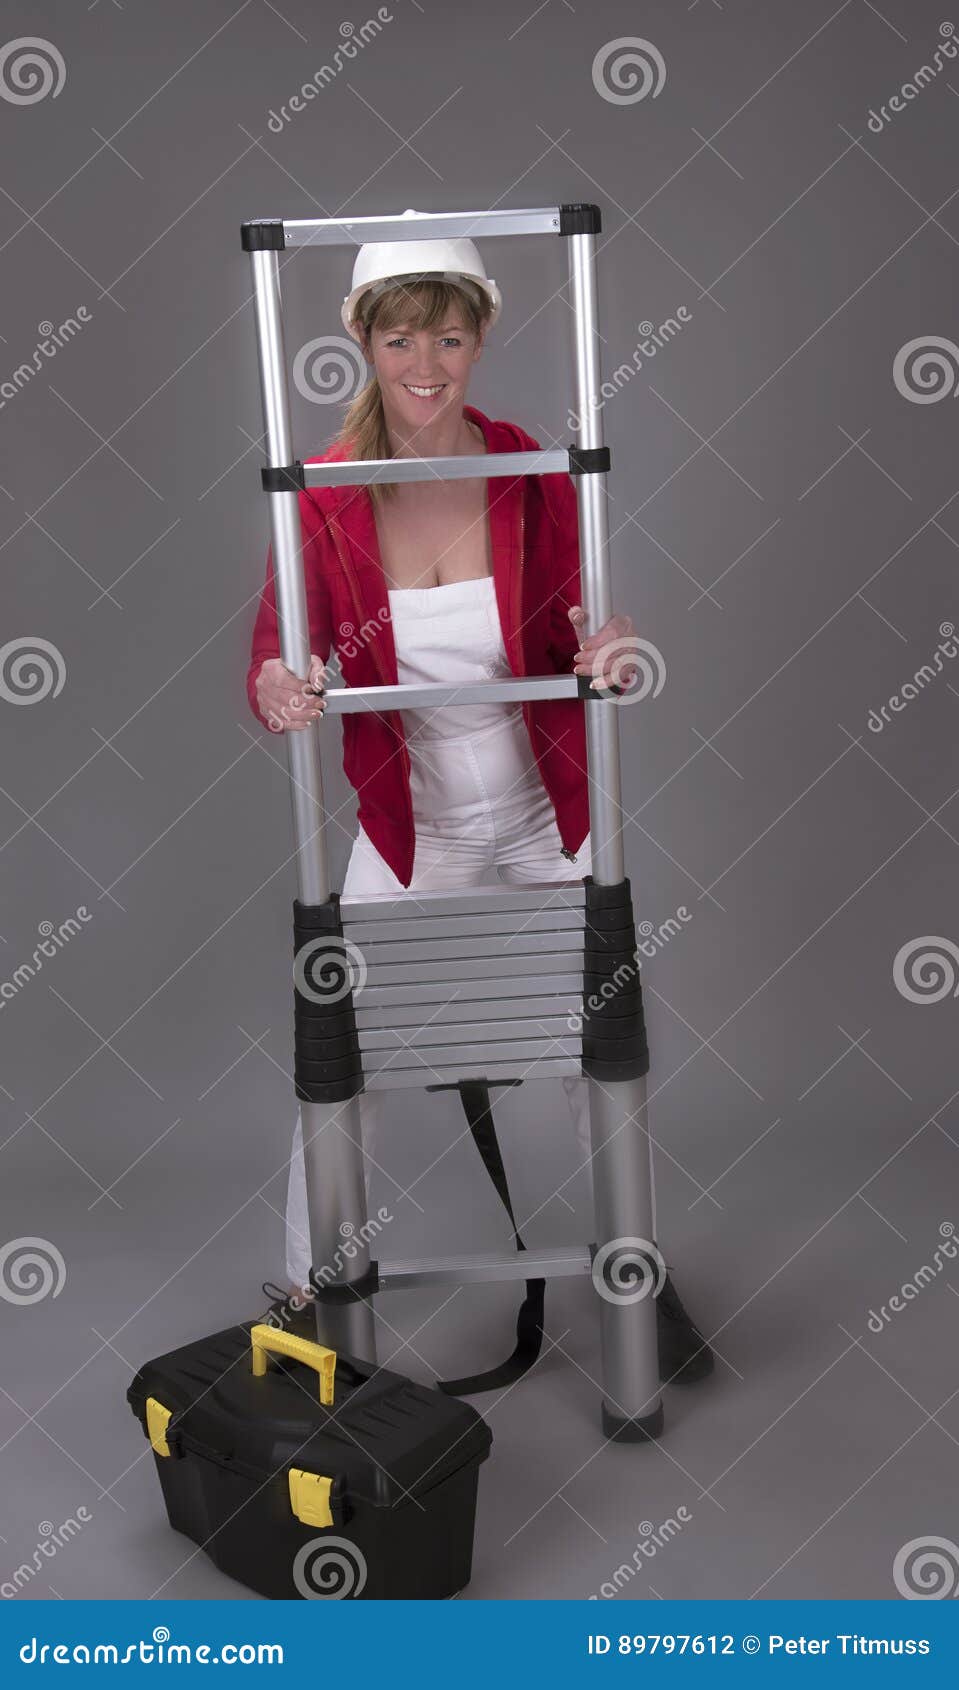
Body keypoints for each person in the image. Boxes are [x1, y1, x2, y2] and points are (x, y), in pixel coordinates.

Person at [246, 223, 713, 1383]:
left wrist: (616, 645)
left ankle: (633, 1269)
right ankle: (310, 1289)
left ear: (478, 339)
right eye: (400, 336)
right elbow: (273, 653)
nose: (424, 362)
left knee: (601, 1058)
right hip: (418, 834)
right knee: (337, 1056)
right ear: (360, 340)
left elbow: (585, 623)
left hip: (547, 818)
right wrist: (277, 685)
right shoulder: (322, 497)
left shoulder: (526, 468)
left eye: (448, 337)